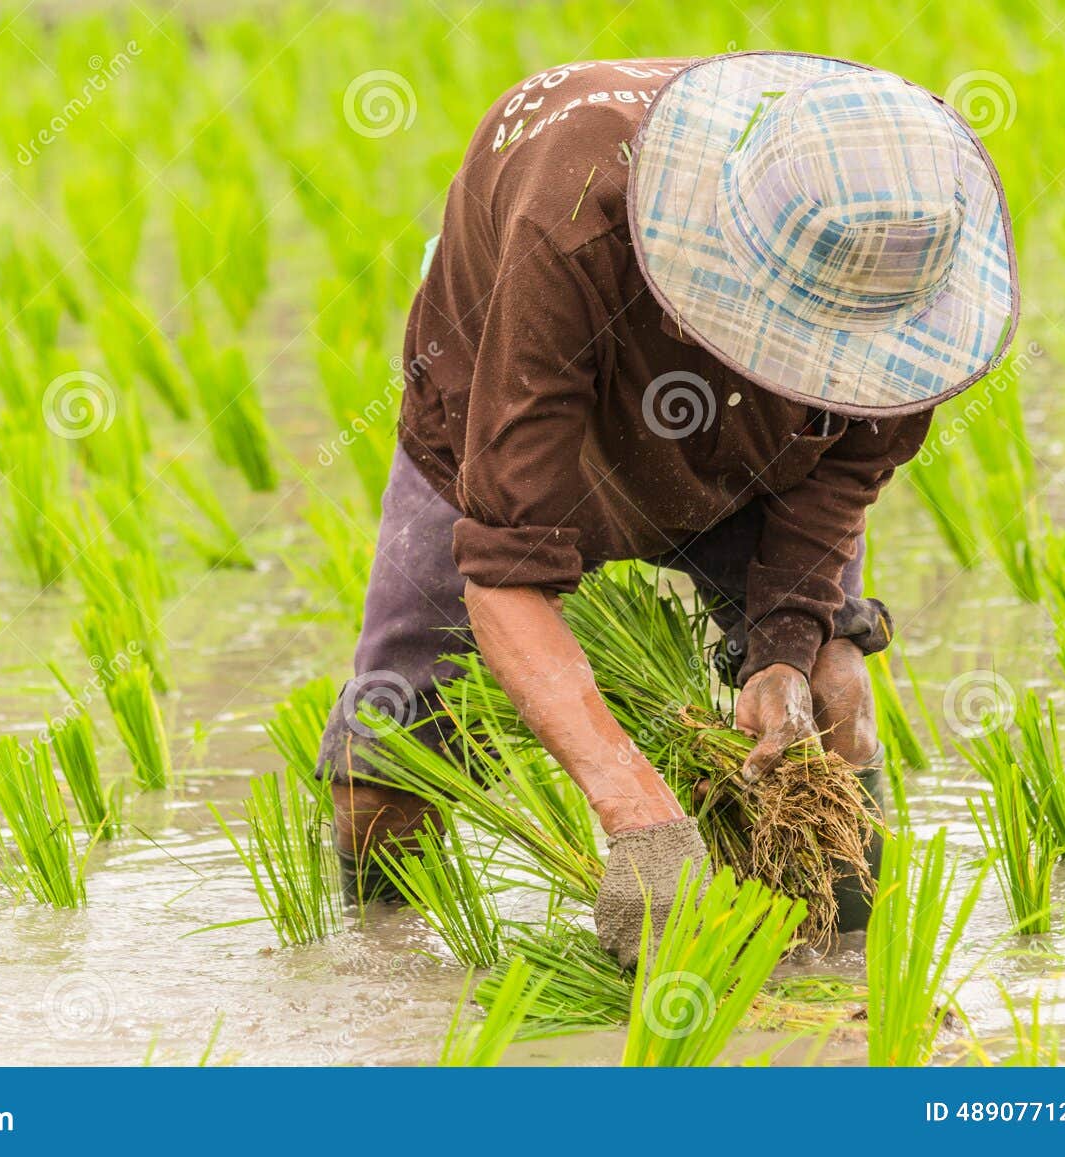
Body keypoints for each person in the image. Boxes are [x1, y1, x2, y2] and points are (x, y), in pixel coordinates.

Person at [316, 51, 1018, 966]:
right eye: (814, 338)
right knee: (387, 767)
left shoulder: (903, 259)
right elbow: (503, 574)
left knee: (832, 692)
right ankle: (385, 980)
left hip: (759, 451)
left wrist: (781, 653)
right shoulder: (565, 219)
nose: (850, 368)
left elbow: (844, 477)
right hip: (515, 409)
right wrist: (642, 820)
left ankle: (846, 971)